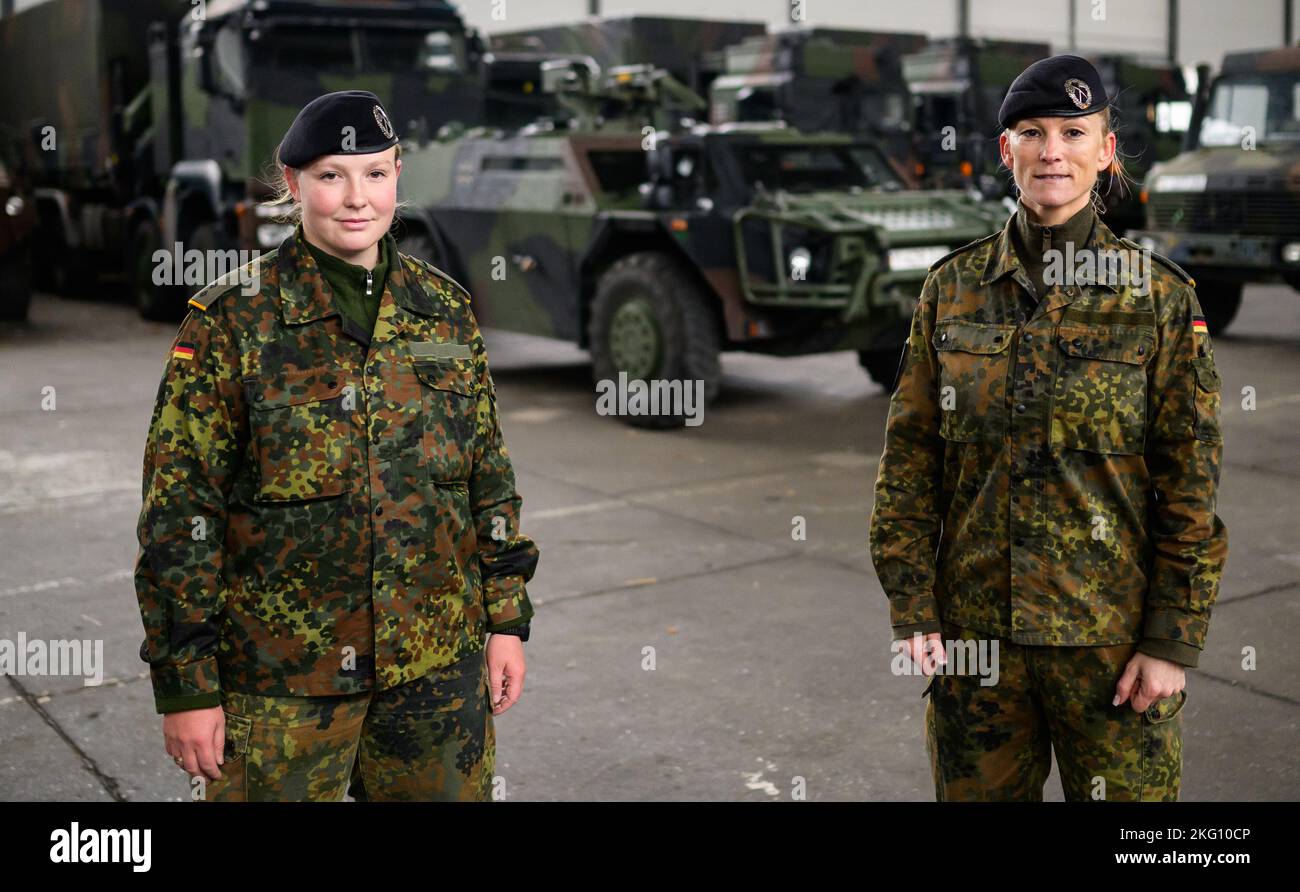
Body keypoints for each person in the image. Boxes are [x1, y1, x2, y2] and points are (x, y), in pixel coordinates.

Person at [133, 90, 539, 801]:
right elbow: (180, 517)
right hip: (283, 686)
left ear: (397, 177)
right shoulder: (232, 321)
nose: (358, 198)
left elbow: (488, 477)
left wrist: (506, 619)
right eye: (331, 176)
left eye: (376, 174)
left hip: (434, 672)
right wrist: (186, 687)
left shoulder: (442, 310)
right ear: (292, 184)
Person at [868, 56, 1228, 801]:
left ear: (1105, 150)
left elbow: (1189, 482)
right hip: (976, 648)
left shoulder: (1158, 299)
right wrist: (913, 608)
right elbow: (909, 463)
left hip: (1110, 647)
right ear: (1008, 151)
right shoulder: (952, 289)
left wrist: (1170, 639)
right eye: (1031, 133)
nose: (1051, 151)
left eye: (1073, 132)